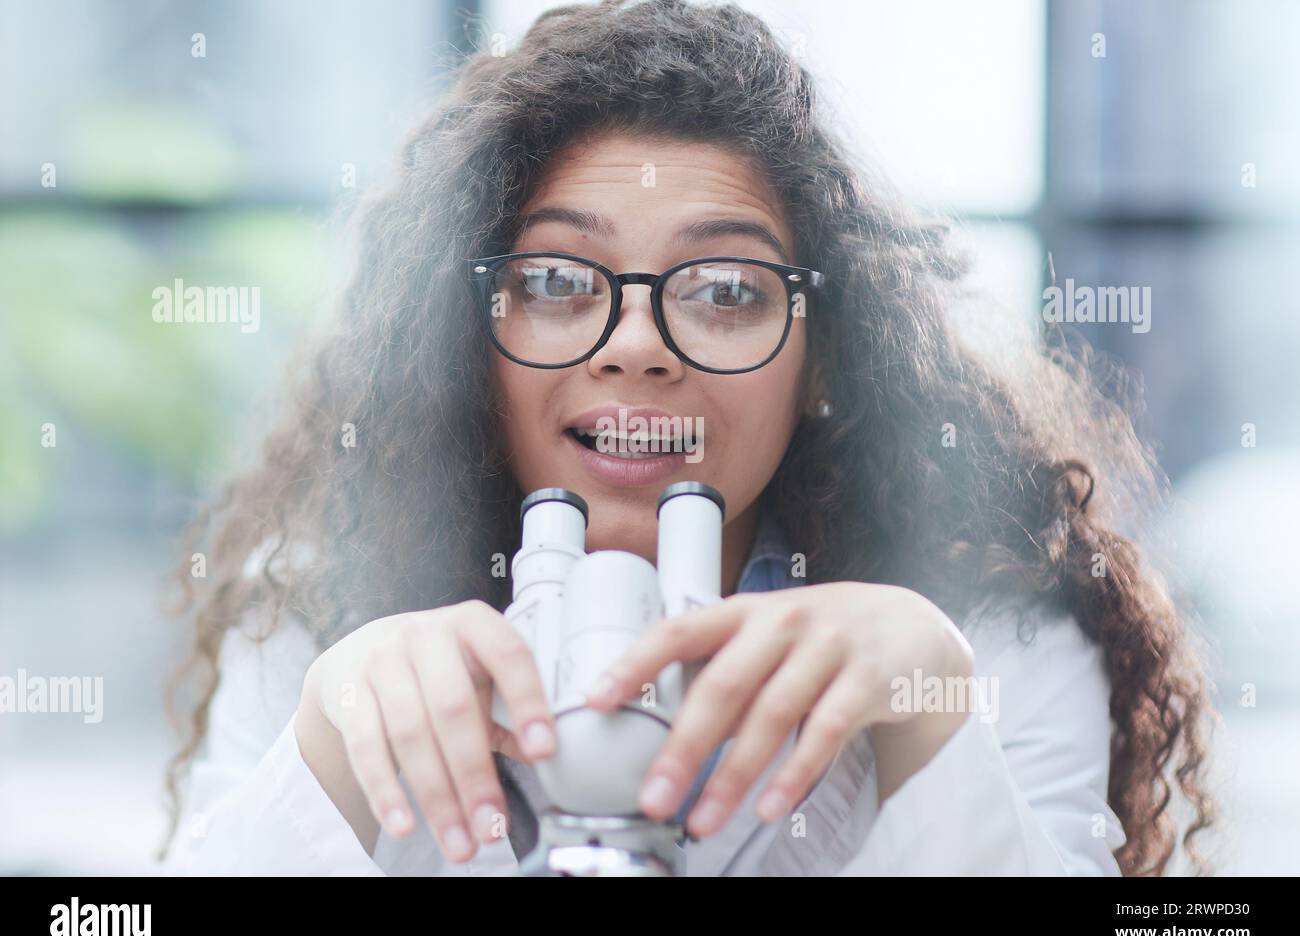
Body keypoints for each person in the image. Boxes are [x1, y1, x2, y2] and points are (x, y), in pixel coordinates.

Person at [159, 0, 1217, 876]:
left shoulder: (994, 645)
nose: (633, 346)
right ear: (467, 343)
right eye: (558, 281)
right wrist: (325, 761)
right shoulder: (316, 626)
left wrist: (928, 723)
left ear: (821, 363)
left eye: (722, 290)